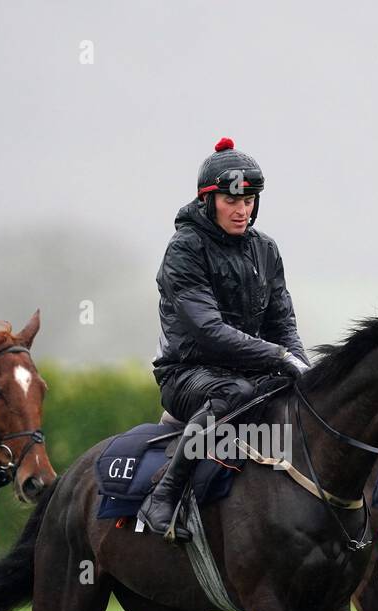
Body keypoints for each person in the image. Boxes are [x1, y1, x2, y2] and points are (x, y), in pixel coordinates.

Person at [137, 137, 309, 542]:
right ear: (208, 200)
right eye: (232, 201)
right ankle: (163, 497)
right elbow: (208, 333)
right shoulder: (184, 249)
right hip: (187, 374)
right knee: (235, 392)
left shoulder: (266, 250)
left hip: (252, 370)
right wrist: (279, 355)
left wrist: (302, 367)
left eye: (249, 200)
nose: (242, 209)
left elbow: (283, 324)